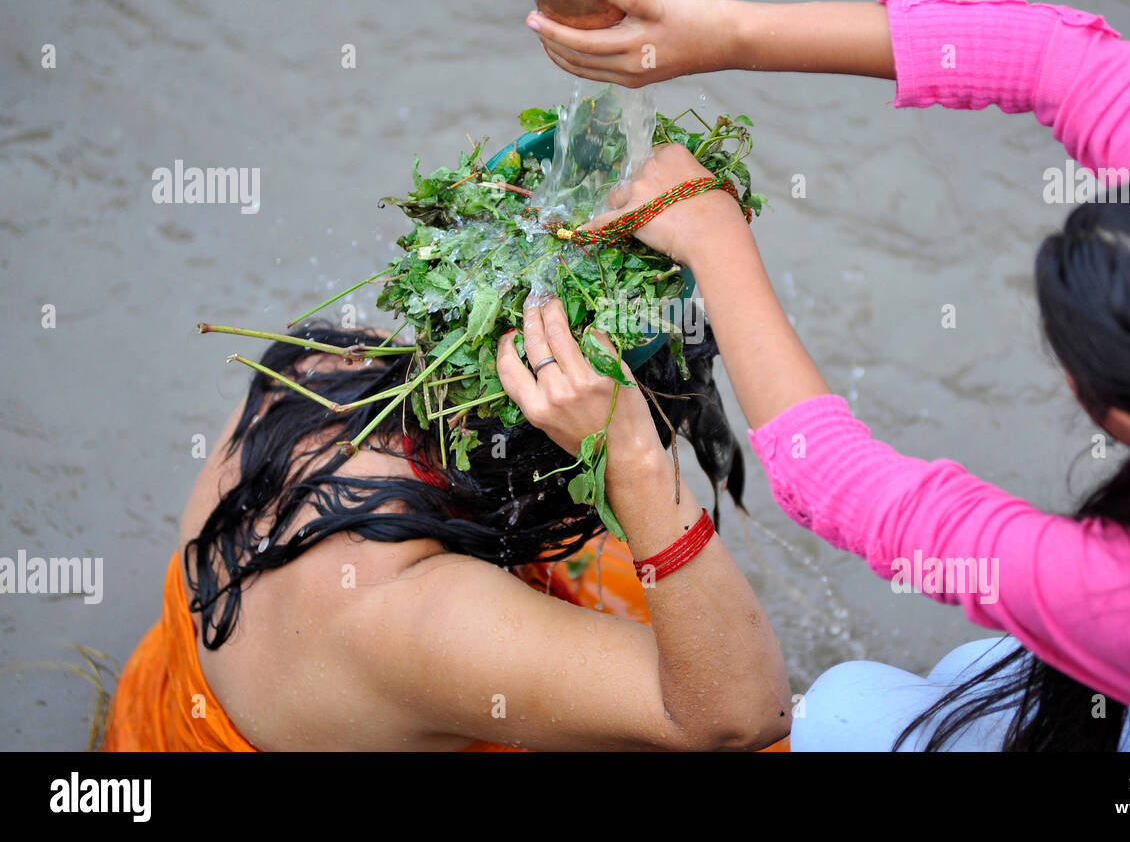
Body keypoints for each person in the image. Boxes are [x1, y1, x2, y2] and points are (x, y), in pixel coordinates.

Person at [530, 0, 1130, 750]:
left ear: (1126, 418)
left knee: (841, 715)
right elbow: (1061, 55)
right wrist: (725, 31)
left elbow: (832, 475)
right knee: (978, 666)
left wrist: (711, 235)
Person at [102, 310, 791, 751]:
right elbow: (743, 715)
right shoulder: (425, 615)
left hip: (169, 694)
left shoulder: (325, 364)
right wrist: (636, 463)